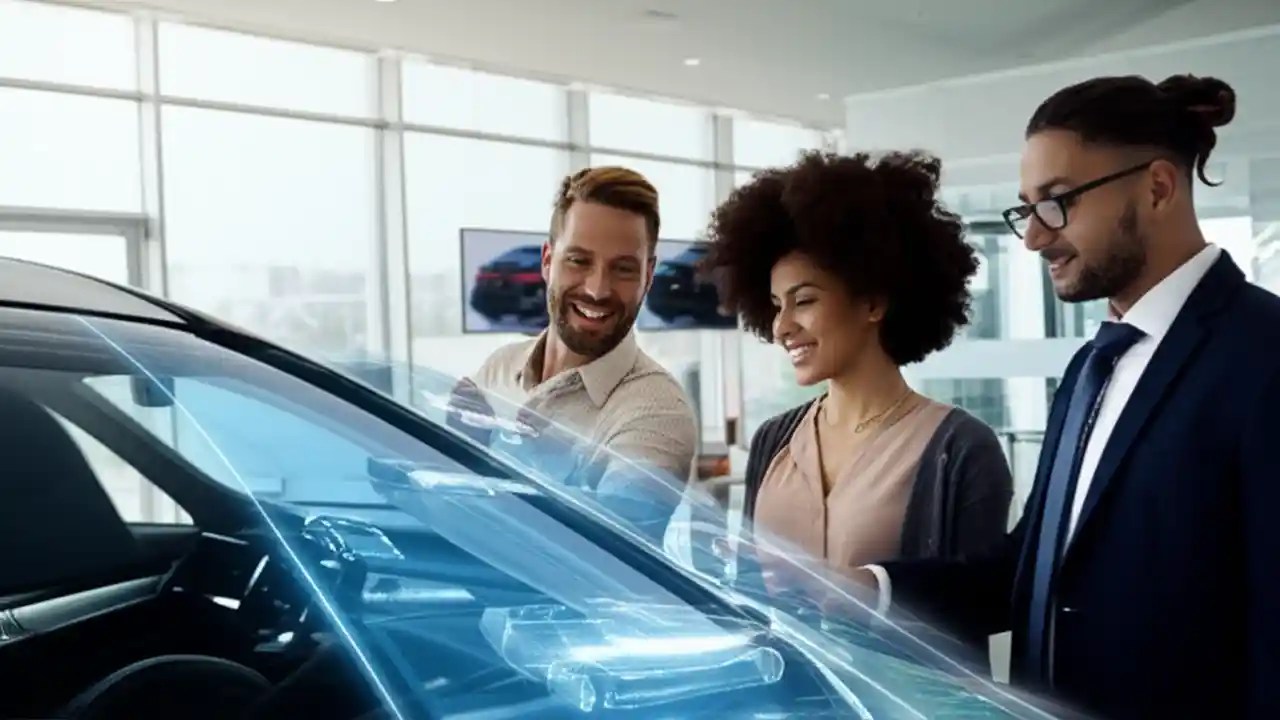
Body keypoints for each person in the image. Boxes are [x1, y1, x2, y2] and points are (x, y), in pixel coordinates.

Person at [858, 74, 1280, 719]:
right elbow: (1032, 572)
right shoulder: (1092, 365)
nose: (1033, 237)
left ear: (1159, 187)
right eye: (1026, 208)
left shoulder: (1264, 353)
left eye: (1059, 201)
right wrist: (867, 589)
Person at [699, 151, 1013, 634]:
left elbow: (982, 606)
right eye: (775, 306)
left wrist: (851, 589)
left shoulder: (960, 448)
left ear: (871, 301)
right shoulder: (773, 441)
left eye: (804, 300)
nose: (783, 326)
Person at [449, 166, 698, 502]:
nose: (597, 290)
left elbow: (611, 540)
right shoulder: (499, 367)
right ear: (548, 261)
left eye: (623, 268)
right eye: (579, 261)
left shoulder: (658, 410)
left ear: (648, 276)